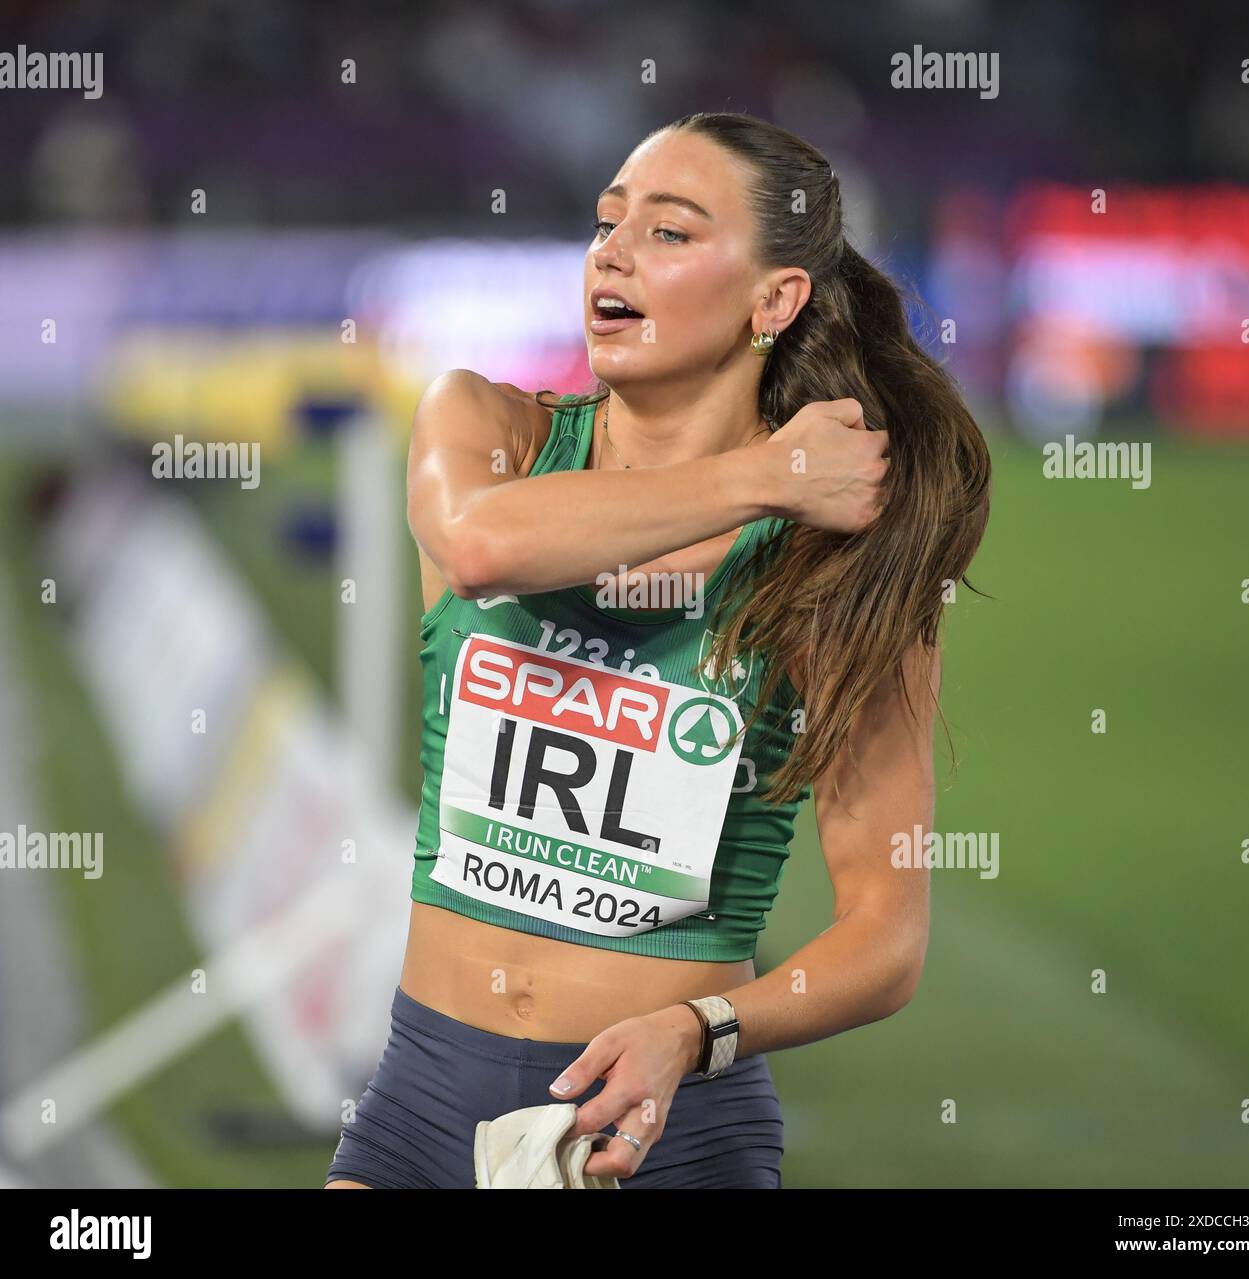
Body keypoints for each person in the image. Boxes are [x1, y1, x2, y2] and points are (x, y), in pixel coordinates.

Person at [325, 110, 990, 1190]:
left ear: (775, 299)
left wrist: (697, 1029)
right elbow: (486, 545)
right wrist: (763, 474)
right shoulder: (491, 429)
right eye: (605, 222)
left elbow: (884, 937)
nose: (613, 251)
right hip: (419, 1097)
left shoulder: (830, 564)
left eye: (670, 232)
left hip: (660, 1132)